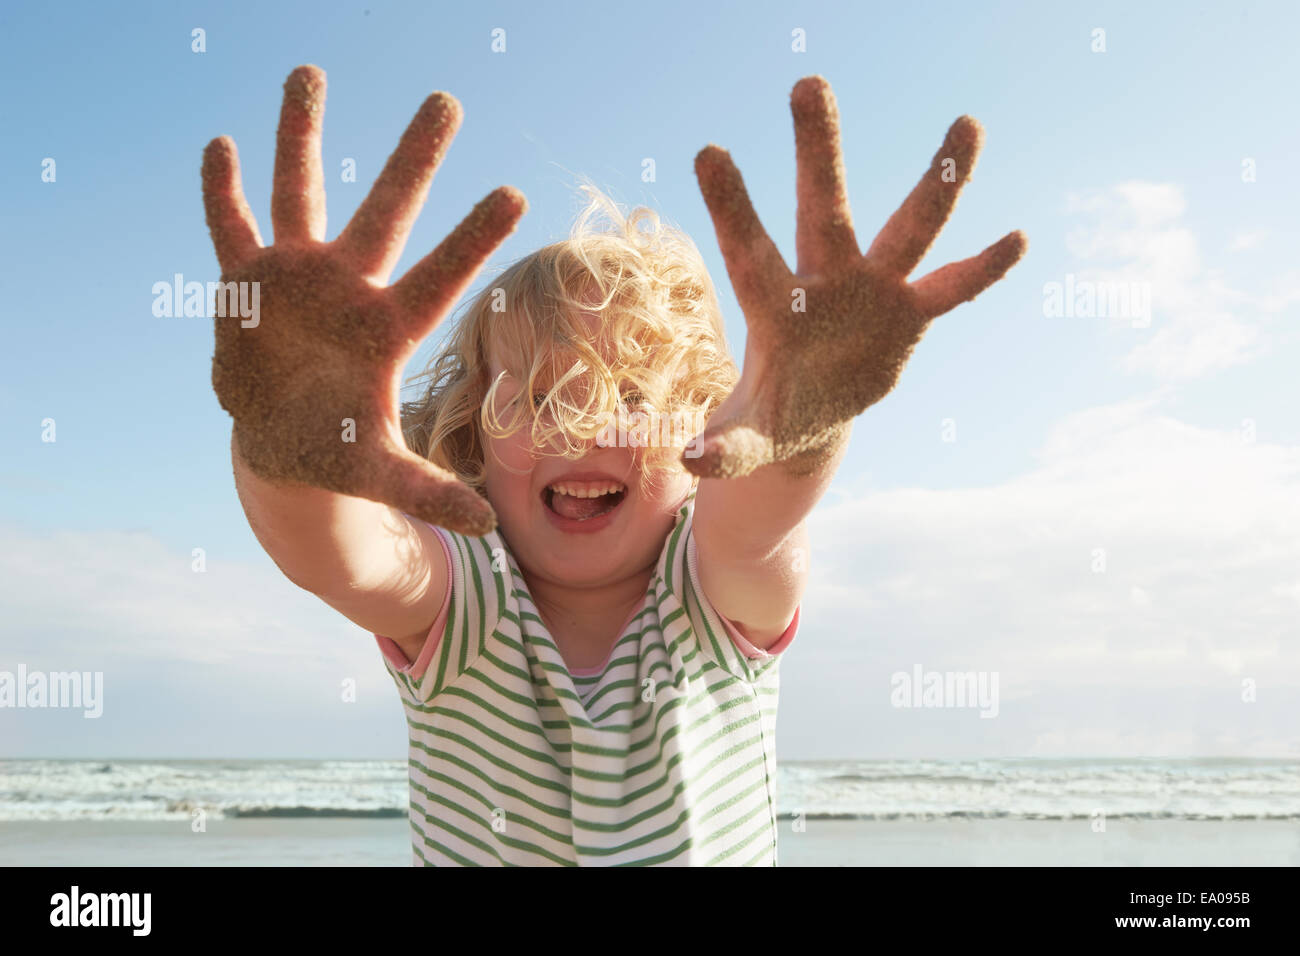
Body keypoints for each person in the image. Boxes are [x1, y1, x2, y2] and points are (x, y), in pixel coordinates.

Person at [200, 64, 1025, 865]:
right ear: (470, 438)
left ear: (711, 424)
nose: (577, 432)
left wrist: (801, 417)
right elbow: (343, 555)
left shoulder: (709, 591)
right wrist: (289, 449)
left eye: (630, 396)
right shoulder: (463, 600)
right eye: (536, 399)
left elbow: (760, 520)